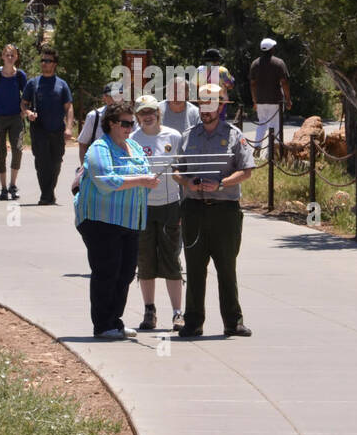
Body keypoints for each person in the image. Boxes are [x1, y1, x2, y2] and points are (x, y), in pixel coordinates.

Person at [173, 83, 256, 337]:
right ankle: (193, 322)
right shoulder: (188, 135)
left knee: (226, 267)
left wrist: (221, 183)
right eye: (201, 104)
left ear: (221, 107)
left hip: (225, 211)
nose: (205, 110)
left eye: (210, 105)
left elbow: (247, 170)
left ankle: (233, 322)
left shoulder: (234, 135)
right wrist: (187, 182)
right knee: (195, 268)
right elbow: (177, 170)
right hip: (194, 209)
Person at [76, 101, 160, 339]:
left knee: (125, 273)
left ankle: (115, 321)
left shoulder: (133, 145)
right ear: (111, 124)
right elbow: (105, 181)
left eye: (131, 123)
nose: (129, 128)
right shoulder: (99, 148)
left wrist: (148, 181)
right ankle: (102, 325)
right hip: (101, 220)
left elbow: (144, 172)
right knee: (106, 271)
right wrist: (141, 180)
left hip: (130, 220)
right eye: (125, 123)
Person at [128, 95, 185, 332]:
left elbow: (183, 169)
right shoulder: (132, 139)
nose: (147, 116)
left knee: (171, 259)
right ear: (137, 117)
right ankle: (149, 310)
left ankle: (177, 313)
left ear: (158, 113)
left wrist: (184, 205)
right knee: (145, 260)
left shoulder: (173, 136)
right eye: (142, 113)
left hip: (170, 204)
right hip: (143, 207)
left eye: (151, 111)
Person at [21, 45, 75, 205]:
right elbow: (23, 103)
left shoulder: (61, 85)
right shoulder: (33, 83)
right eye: (43, 60)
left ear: (54, 64)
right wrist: (28, 113)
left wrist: (69, 128)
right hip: (39, 130)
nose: (44, 63)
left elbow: (69, 107)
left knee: (56, 162)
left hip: (57, 130)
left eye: (48, 61)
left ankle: (49, 193)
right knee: (42, 163)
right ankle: (46, 195)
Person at [0, 43, 27, 201]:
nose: (10, 58)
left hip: (16, 118)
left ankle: (12, 185)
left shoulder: (20, 75)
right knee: (0, 153)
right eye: (7, 55)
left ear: (16, 57)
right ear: (2, 56)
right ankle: (3, 188)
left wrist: (25, 110)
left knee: (18, 149)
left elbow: (27, 95)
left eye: (12, 55)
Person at [249, 37, 291, 157]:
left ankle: (257, 148)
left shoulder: (255, 63)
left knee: (262, 124)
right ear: (272, 49)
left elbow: (252, 84)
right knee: (276, 126)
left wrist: (254, 100)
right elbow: (284, 82)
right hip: (276, 100)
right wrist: (288, 100)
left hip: (260, 100)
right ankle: (274, 153)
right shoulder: (278, 63)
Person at [197, 48, 237, 123]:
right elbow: (230, 85)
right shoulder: (222, 71)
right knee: (219, 124)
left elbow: (195, 85)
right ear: (217, 60)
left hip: (204, 102)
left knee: (205, 123)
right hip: (220, 104)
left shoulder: (199, 70)